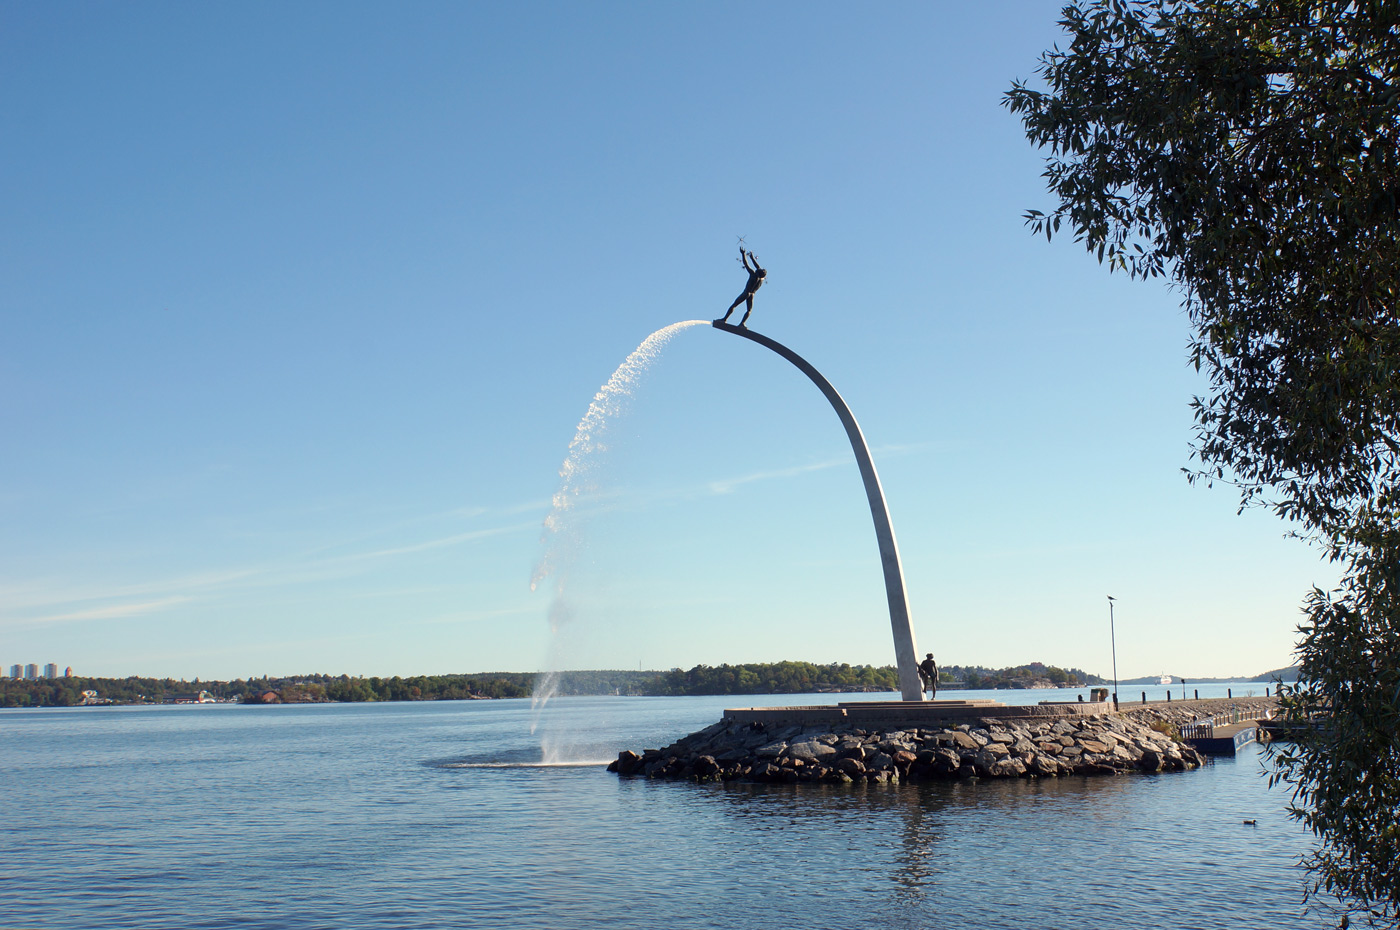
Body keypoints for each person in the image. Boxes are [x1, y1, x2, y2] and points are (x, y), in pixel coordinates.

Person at [717, 247, 767, 328]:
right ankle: (742, 323)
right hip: (752, 295)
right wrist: (752, 258)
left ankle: (724, 319)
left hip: (746, 293)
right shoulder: (761, 279)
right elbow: (758, 267)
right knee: (749, 310)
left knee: (734, 305)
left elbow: (746, 264)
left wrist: (743, 254)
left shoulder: (753, 275)